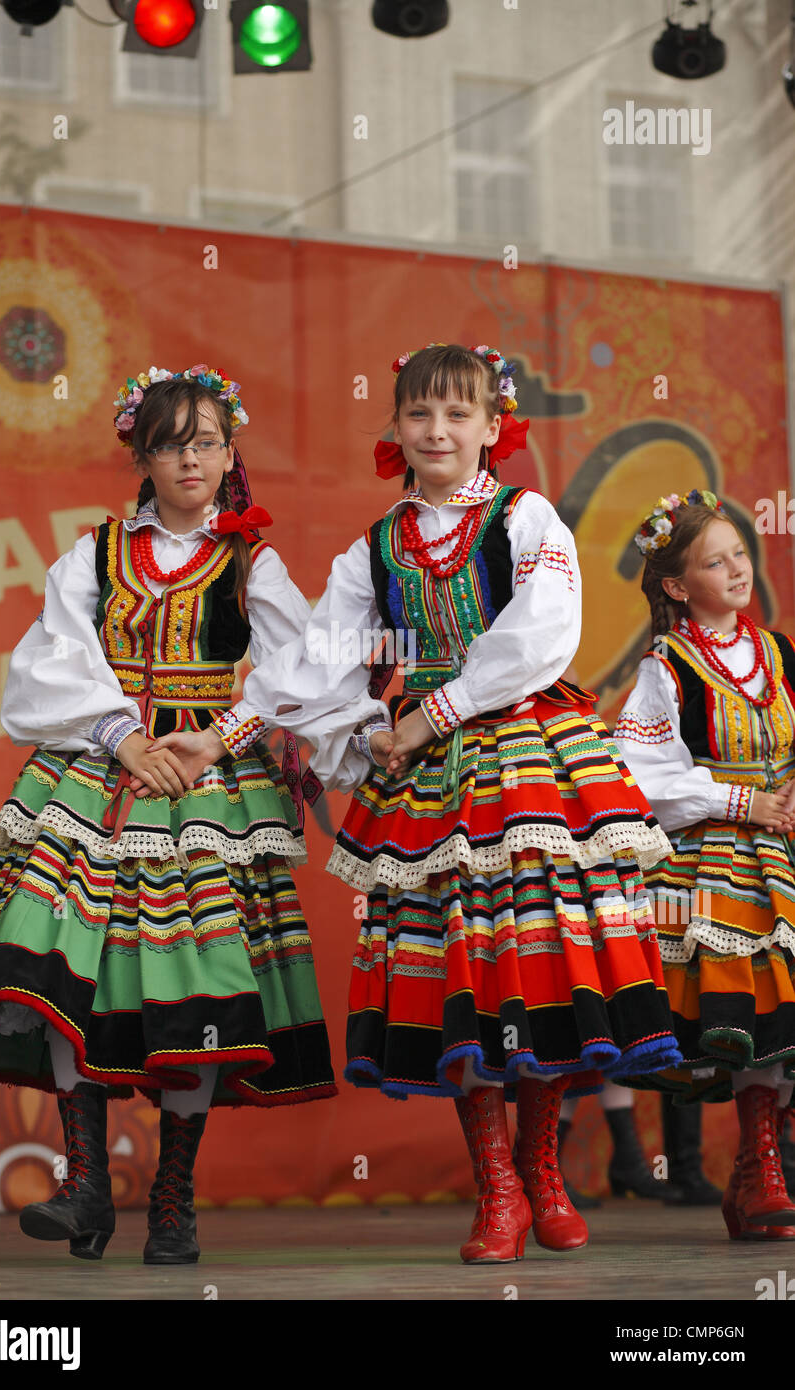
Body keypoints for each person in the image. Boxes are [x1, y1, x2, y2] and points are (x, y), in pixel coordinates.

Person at [224, 342, 682, 1263]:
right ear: (395, 428)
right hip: (428, 781)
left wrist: (434, 712)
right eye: (419, 413)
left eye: (457, 413)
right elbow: (318, 659)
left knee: (538, 959)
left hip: (524, 756)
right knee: (456, 969)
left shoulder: (524, 517)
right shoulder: (376, 548)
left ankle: (541, 1167)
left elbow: (541, 634)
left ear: (491, 426)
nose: (437, 430)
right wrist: (251, 729)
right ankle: (498, 1187)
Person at [0, 364, 367, 1265]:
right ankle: (87, 1182)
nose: (190, 460)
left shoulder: (251, 562)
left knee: (191, 978)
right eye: (170, 445)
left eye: (206, 442)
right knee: (59, 957)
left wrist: (222, 733)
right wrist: (123, 737)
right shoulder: (93, 554)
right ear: (142, 457)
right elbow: (51, 659)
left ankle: (173, 1199)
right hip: (101, 771)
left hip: (208, 789)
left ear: (230, 452)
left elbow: (312, 667)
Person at [613, 488, 795, 1240]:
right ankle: (760, 1171)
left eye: (740, 554)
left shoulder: (778, 652)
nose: (737, 569)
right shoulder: (668, 667)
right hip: (720, 857)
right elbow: (639, 772)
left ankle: (762, 1167)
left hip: (786, 846)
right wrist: (737, 799)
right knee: (750, 1000)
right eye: (715, 562)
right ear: (678, 585)